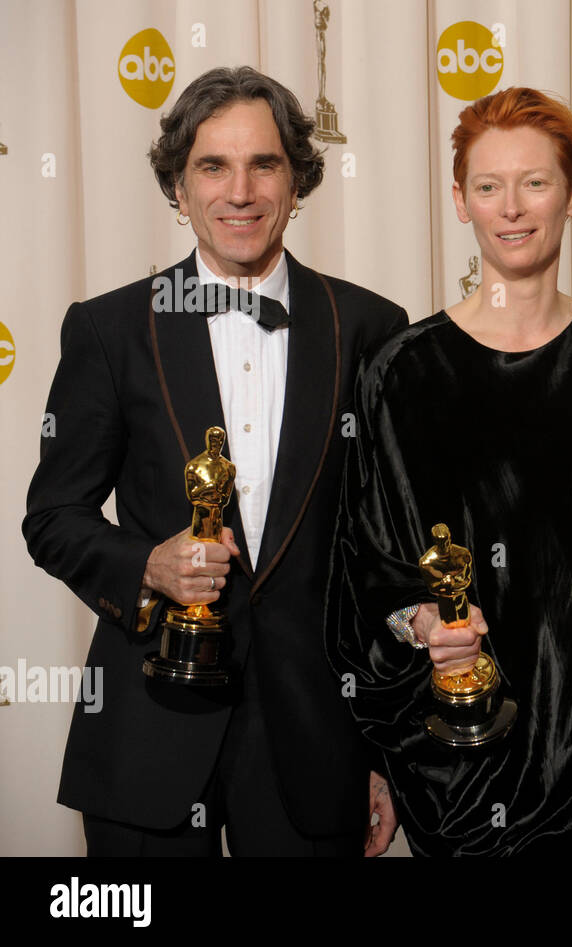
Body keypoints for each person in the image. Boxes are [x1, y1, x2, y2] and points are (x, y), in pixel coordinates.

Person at [23, 66, 407, 856]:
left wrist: (380, 753)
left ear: (298, 179)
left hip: (314, 740)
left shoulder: (371, 325)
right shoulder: (110, 328)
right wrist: (146, 565)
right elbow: (52, 517)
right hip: (148, 728)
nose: (241, 191)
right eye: (212, 166)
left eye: (264, 164)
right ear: (177, 185)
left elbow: (383, 552)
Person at [326, 86, 572, 856]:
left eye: (536, 182)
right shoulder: (402, 369)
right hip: (469, 742)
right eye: (488, 186)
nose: (512, 207)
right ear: (461, 201)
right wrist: (423, 622)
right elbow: (367, 560)